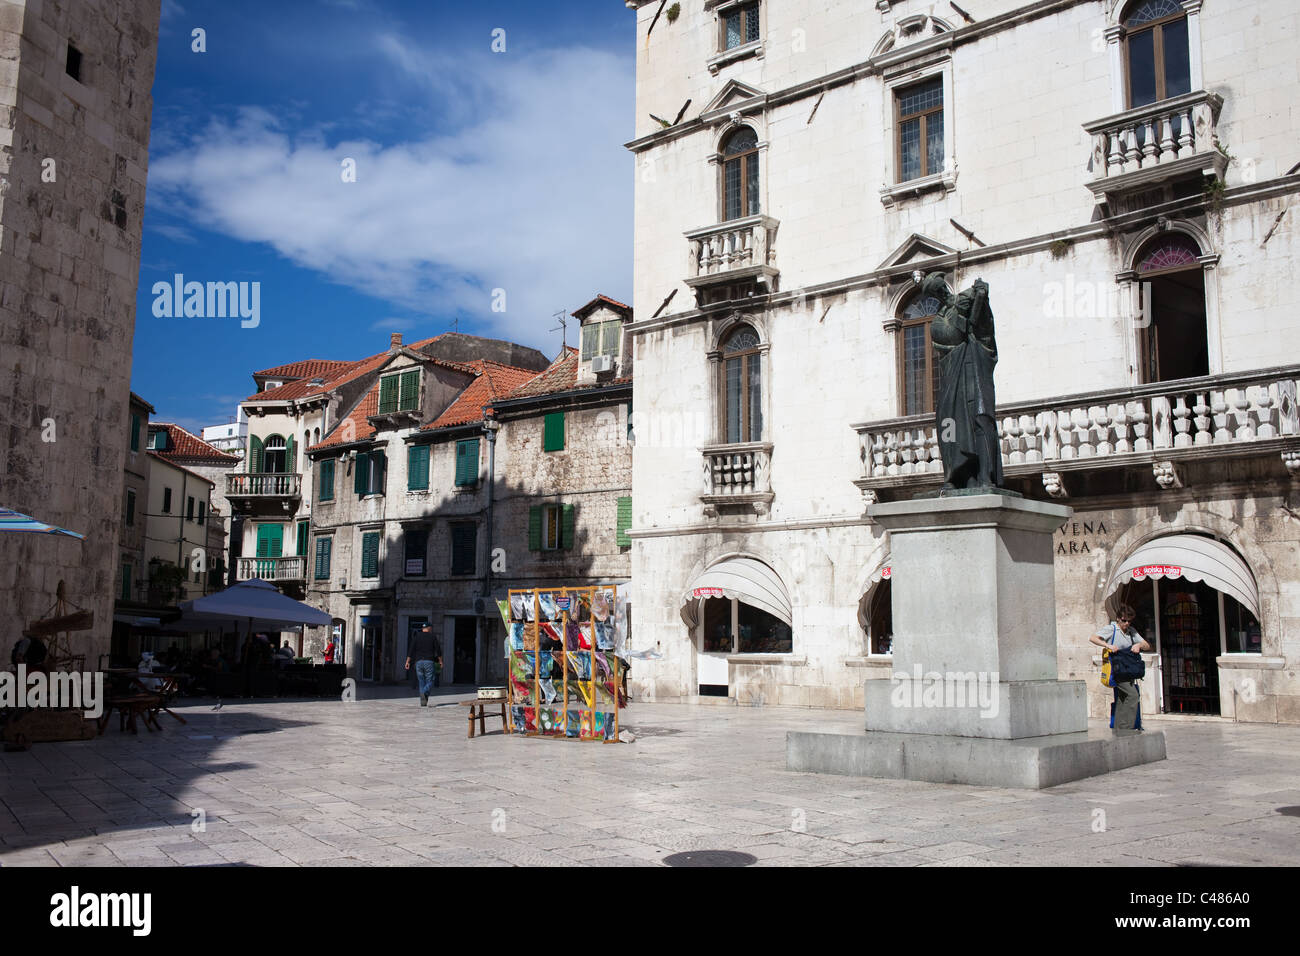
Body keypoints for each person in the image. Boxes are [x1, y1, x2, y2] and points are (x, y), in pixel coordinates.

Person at [920, 272, 1003, 490]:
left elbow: (984, 330)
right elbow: (952, 335)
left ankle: (986, 476)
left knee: (982, 419)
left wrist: (981, 300)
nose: (941, 292)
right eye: (935, 291)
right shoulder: (937, 322)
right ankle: (959, 476)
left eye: (941, 287)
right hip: (953, 381)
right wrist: (964, 310)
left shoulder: (965, 300)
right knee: (950, 426)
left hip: (974, 370)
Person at [1089, 603, 1151, 735]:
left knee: (1123, 698)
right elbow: (1093, 638)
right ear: (1118, 618)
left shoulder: (1131, 631)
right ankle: (1126, 728)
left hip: (1128, 670)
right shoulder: (1112, 629)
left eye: (1129, 621)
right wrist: (1107, 645)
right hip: (1117, 670)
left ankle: (1118, 729)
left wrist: (1139, 645)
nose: (1126, 623)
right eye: (1124, 620)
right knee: (1133, 695)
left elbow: (1147, 645)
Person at [405, 624, 441, 706]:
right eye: (431, 628)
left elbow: (411, 650)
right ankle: (424, 692)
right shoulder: (432, 637)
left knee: (421, 681)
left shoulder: (416, 637)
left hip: (419, 662)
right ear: (429, 628)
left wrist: (407, 662)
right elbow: (438, 650)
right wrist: (440, 661)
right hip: (429, 661)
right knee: (431, 680)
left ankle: (423, 702)